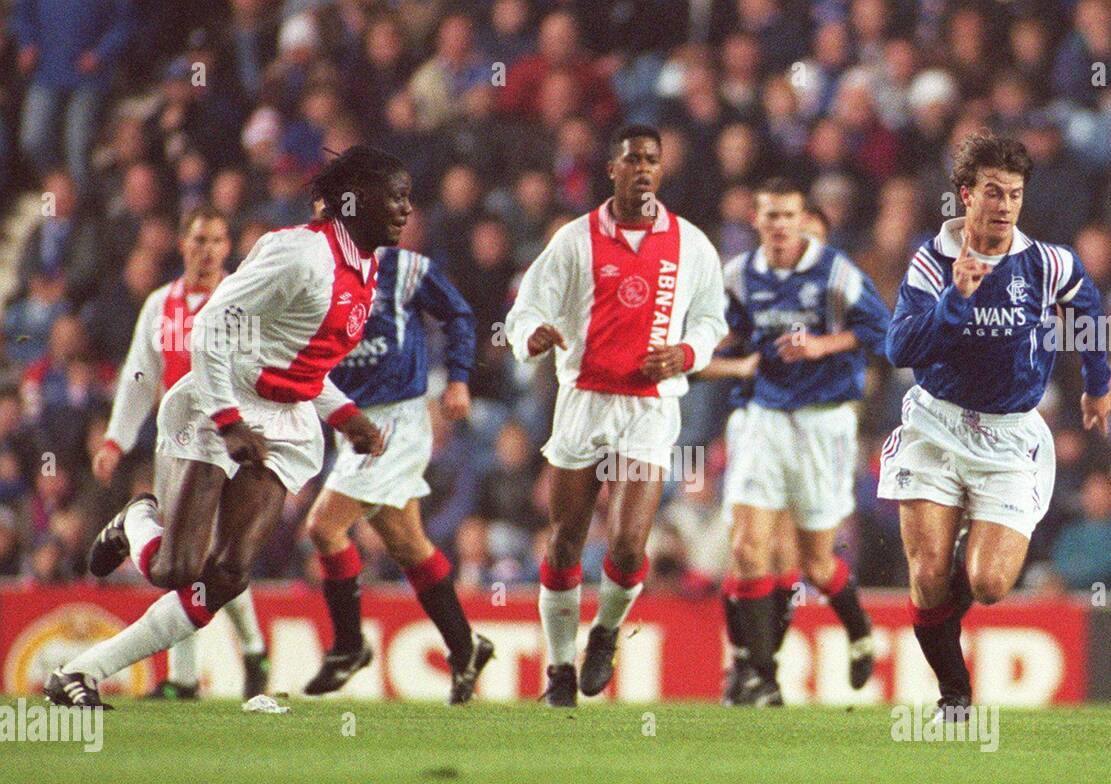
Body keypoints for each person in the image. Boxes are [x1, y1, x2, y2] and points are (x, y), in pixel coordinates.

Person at [44, 145, 406, 708]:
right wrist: (229, 422)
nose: (406, 208)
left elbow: (298, 357)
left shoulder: (367, 267)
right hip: (218, 402)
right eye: (396, 195)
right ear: (353, 201)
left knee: (228, 575)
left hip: (285, 422)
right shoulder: (299, 255)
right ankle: (137, 518)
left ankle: (78, 674)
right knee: (176, 568)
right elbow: (210, 329)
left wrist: (345, 413)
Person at [878, 130, 1111, 721]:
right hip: (936, 425)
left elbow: (1086, 306)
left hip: (1010, 437)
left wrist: (1098, 385)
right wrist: (955, 299)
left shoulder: (1046, 262)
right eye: (992, 193)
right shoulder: (933, 262)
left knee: (987, 584)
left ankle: (958, 572)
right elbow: (898, 348)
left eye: (1013, 194)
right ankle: (955, 696)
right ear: (965, 196)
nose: (1004, 206)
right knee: (928, 572)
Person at [504, 124, 727, 706]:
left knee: (629, 547)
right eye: (632, 160)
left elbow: (711, 319)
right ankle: (557, 668)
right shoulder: (575, 240)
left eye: (653, 160)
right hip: (582, 400)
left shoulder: (690, 243)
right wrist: (532, 334)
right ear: (612, 169)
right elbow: (526, 308)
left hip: (650, 409)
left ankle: (603, 634)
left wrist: (686, 352)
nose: (644, 169)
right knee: (565, 542)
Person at [707, 179, 889, 706]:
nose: (780, 226)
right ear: (756, 221)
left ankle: (858, 629)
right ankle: (760, 675)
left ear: (801, 218)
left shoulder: (836, 272)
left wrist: (821, 345)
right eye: (770, 217)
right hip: (763, 416)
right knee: (748, 548)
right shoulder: (739, 274)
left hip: (823, 423)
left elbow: (881, 330)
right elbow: (726, 329)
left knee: (813, 563)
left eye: (788, 216)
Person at [302, 236, 494, 704]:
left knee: (324, 527)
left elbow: (458, 314)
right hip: (352, 421)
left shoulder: (403, 268)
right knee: (408, 544)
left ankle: (349, 646)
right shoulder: (312, 272)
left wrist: (459, 380)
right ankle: (466, 647)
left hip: (397, 420)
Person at [93, 205, 269, 700]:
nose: (206, 249)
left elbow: (262, 369)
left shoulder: (243, 300)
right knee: (183, 552)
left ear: (228, 247)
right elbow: (138, 374)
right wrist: (115, 440)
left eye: (215, 240)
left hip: (232, 438)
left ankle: (250, 649)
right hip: (180, 441)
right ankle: (190, 676)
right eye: (198, 240)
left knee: (221, 552)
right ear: (182, 244)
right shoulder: (160, 304)